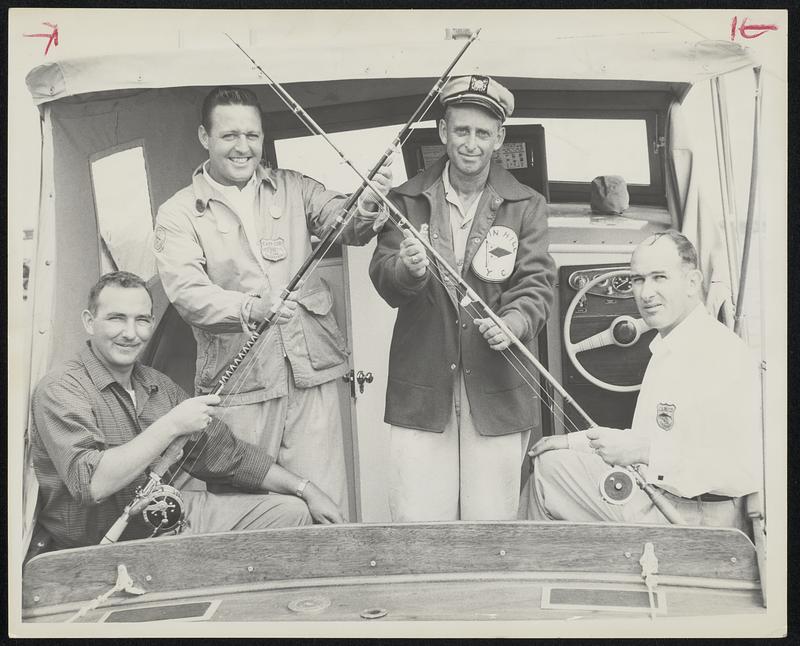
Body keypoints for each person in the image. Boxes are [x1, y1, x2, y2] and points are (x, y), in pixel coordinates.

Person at [154, 86, 393, 516]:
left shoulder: (294, 186)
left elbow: (348, 226)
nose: (243, 147)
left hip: (311, 374)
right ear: (204, 137)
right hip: (239, 384)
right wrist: (250, 309)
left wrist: (369, 205)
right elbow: (188, 294)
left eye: (253, 135)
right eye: (229, 136)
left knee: (324, 499)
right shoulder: (179, 212)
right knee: (253, 509)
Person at [30, 272, 345, 551]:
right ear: (89, 321)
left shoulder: (156, 385)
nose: (130, 333)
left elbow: (230, 456)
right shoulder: (60, 389)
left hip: (169, 517)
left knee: (294, 513)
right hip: (100, 545)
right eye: (116, 318)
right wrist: (171, 425)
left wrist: (307, 489)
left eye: (141, 320)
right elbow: (91, 484)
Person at [369, 75, 555, 521]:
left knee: (491, 524)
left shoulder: (526, 203)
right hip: (422, 388)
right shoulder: (405, 199)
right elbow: (383, 274)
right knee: (419, 522)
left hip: (497, 390)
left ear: (500, 138)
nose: (471, 144)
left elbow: (537, 283)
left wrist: (512, 322)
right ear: (442, 132)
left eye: (482, 133)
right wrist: (407, 271)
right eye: (461, 131)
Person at [520, 231, 762, 530]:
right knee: (551, 459)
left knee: (547, 476)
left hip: (694, 517)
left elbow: (743, 470)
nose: (646, 293)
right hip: (665, 496)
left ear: (692, 282)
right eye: (637, 279)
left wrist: (645, 453)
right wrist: (571, 442)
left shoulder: (720, 354)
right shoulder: (670, 344)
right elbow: (648, 438)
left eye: (659, 277)